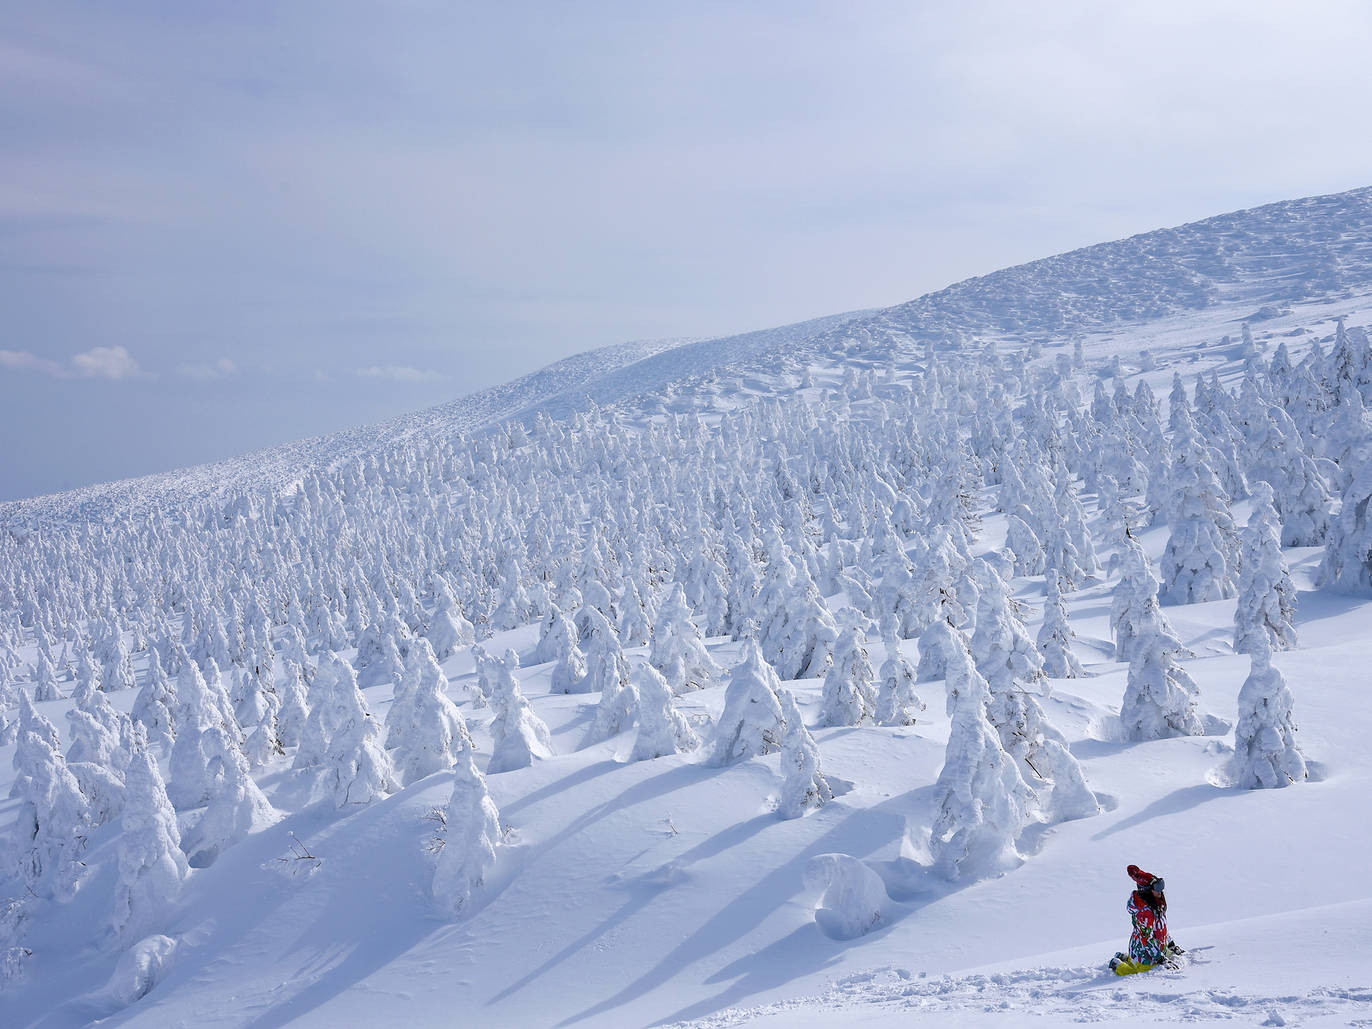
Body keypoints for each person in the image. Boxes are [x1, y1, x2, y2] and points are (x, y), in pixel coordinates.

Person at [1109, 864, 1184, 975]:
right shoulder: (1145, 913)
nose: (1161, 891)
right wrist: (1160, 959)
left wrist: (1171, 944)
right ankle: (1117, 964)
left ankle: (1127, 958)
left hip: (1157, 948)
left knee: (1173, 956)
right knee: (1142, 971)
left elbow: (1161, 927)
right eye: (1157, 888)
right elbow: (1146, 940)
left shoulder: (1158, 904)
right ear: (1147, 891)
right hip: (1144, 953)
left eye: (1161, 886)